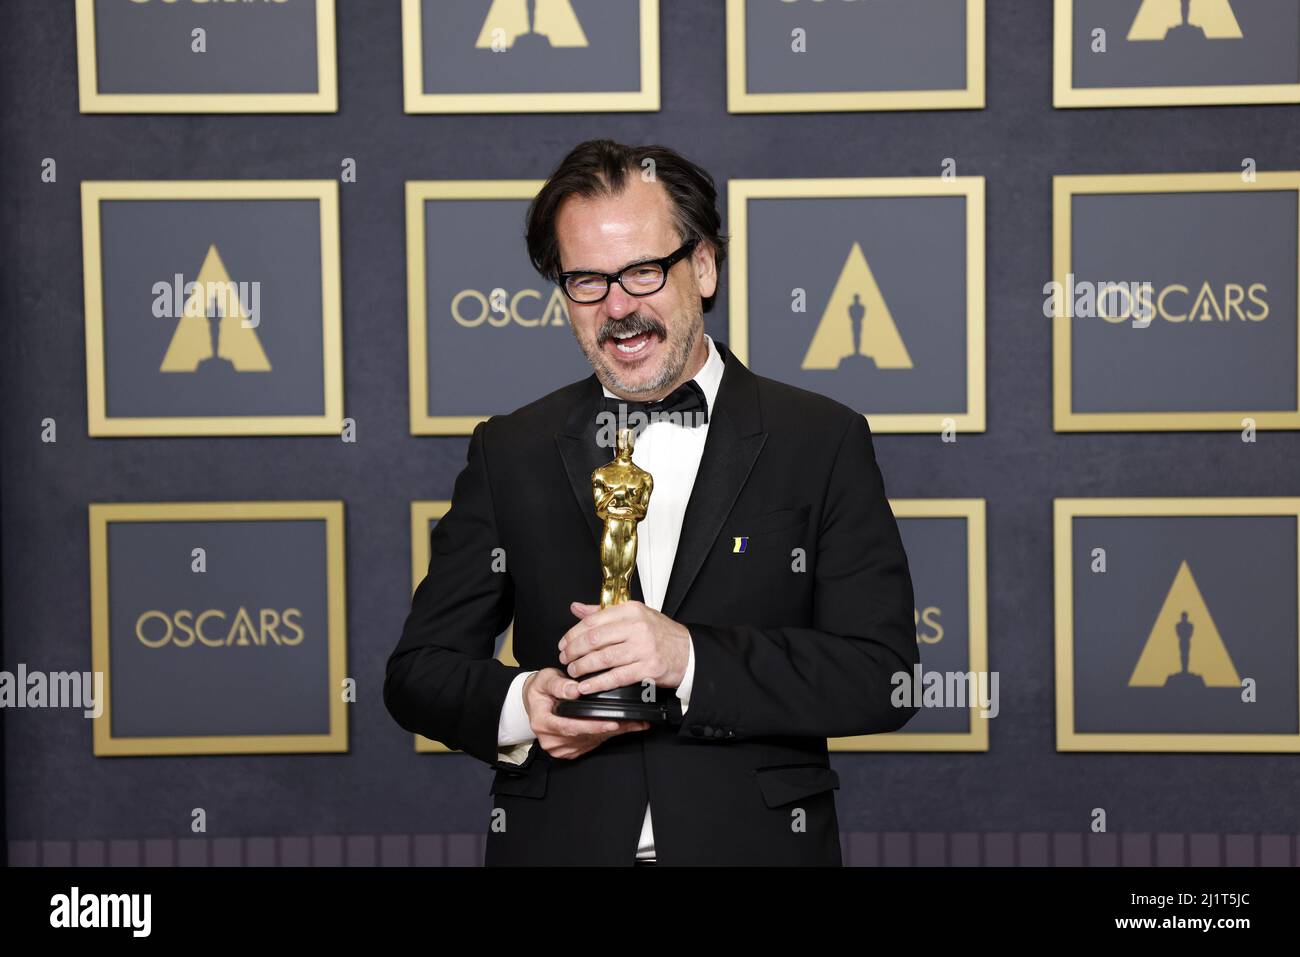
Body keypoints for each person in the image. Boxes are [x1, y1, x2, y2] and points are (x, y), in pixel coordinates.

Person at [384, 139, 919, 866]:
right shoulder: (511, 449)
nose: (617, 309)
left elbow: (881, 674)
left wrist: (689, 656)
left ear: (702, 266)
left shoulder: (821, 440)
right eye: (586, 281)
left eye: (641, 271)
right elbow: (419, 671)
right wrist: (526, 703)